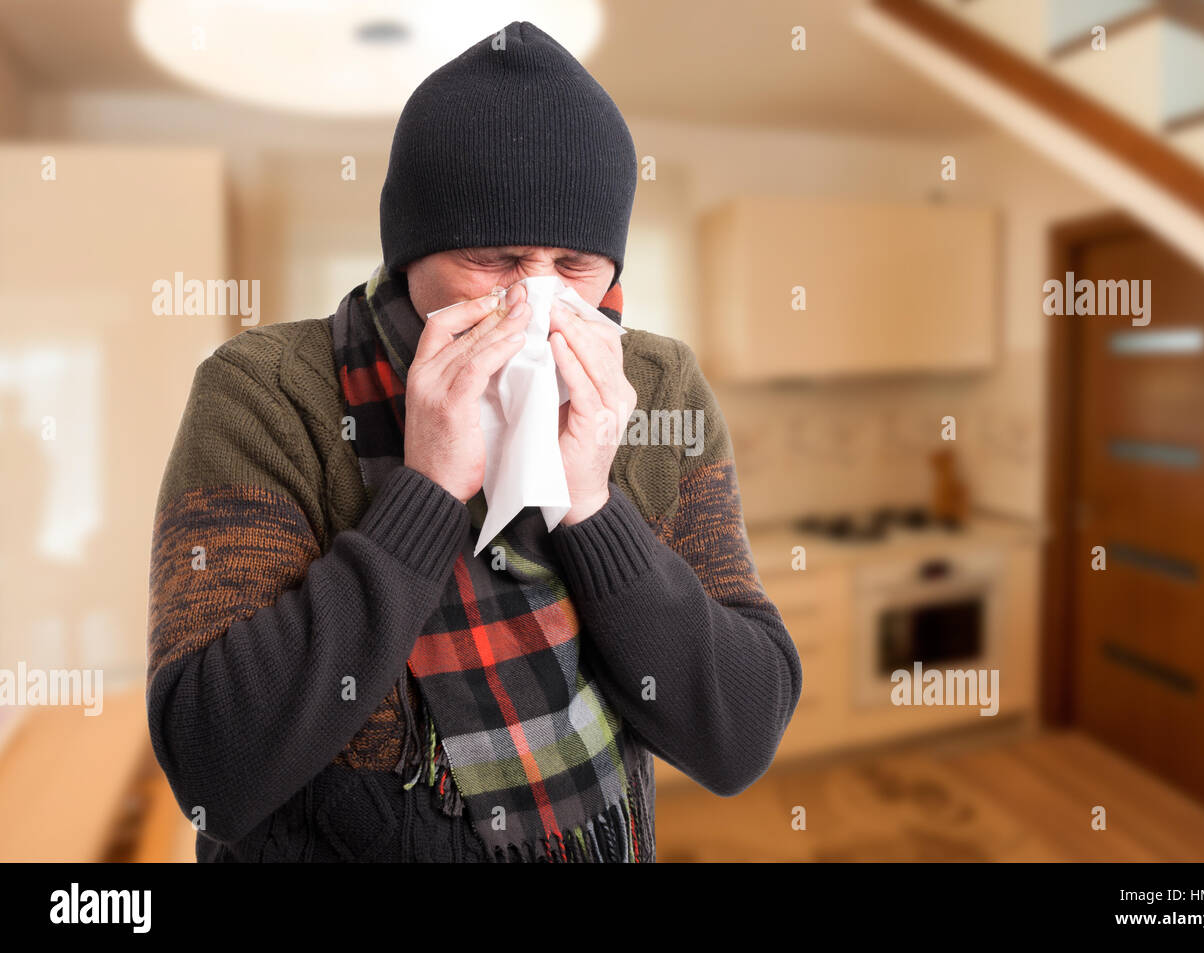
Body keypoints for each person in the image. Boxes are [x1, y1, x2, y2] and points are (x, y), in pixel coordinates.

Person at [146, 20, 800, 863]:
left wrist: (593, 510)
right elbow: (213, 765)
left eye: (574, 265)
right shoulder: (263, 392)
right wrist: (424, 494)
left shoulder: (659, 386)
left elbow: (738, 736)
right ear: (410, 252)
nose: (536, 298)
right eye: (497, 257)